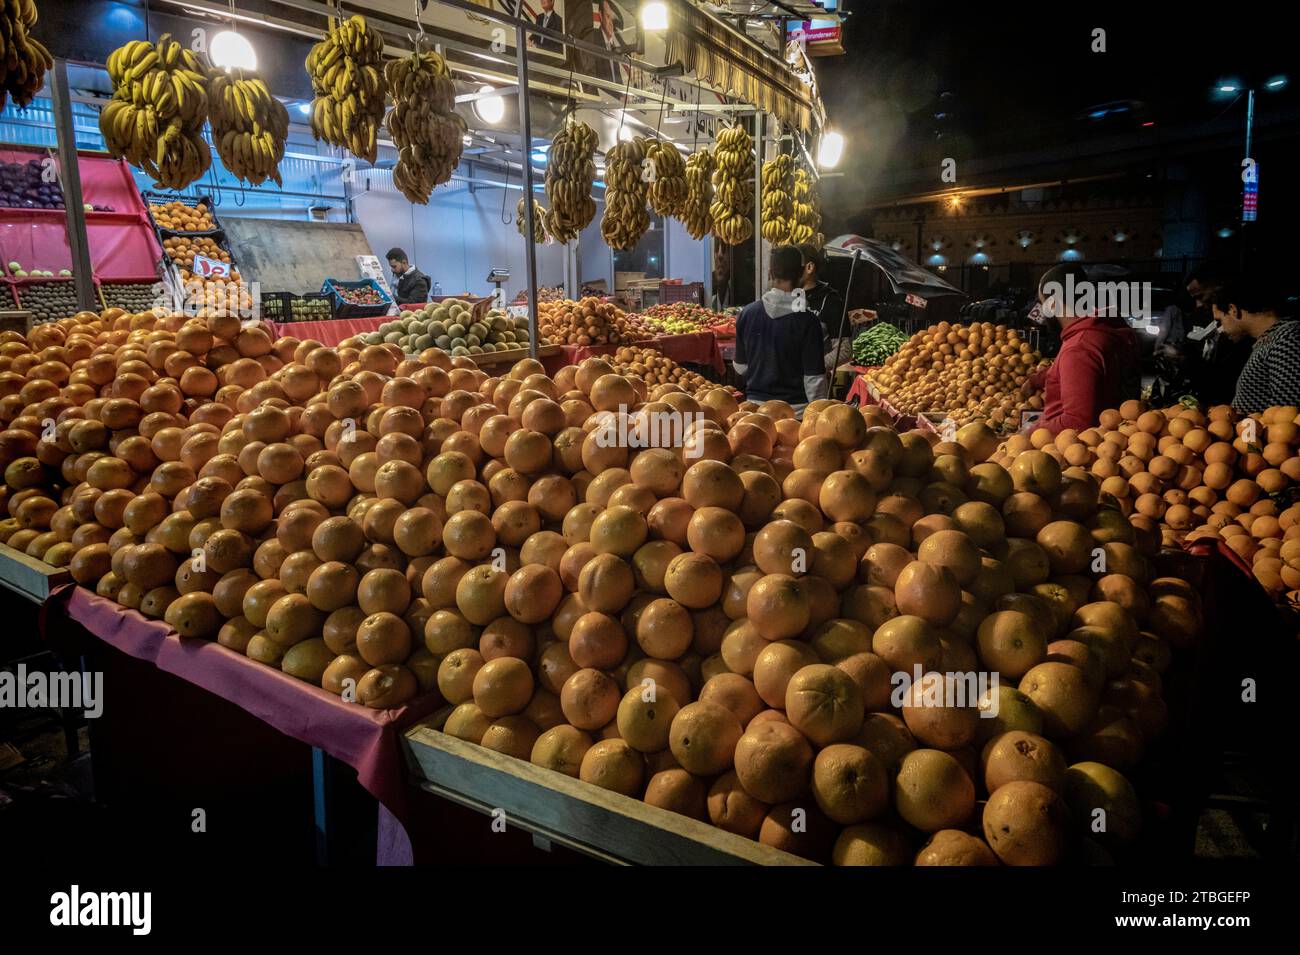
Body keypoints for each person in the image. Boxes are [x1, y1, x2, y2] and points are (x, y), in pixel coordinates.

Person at [1022, 263, 1139, 433]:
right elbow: (1083, 370)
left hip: (1070, 448)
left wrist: (1029, 432)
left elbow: (1076, 421)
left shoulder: (1079, 347)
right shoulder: (1104, 329)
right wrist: (1037, 379)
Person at [733, 246, 829, 414]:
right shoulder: (808, 321)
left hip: (755, 413)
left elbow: (740, 367)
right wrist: (819, 415)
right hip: (795, 415)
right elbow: (814, 381)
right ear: (801, 274)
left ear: (770, 273)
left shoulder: (746, 314)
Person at [1211, 271, 1300, 414]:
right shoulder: (1272, 339)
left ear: (1233, 310)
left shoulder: (1286, 340)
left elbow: (1288, 413)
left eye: (1220, 321)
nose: (1220, 329)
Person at [797, 243, 849, 371]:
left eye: (794, 266)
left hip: (813, 384)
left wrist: (810, 367)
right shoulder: (788, 296)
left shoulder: (831, 300)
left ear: (809, 267)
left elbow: (844, 351)